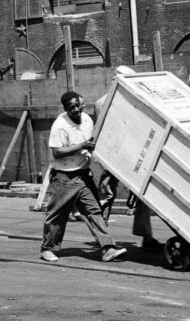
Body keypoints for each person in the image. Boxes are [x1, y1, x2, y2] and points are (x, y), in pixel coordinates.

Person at [40, 91, 127, 263]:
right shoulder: (60, 125)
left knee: (94, 211)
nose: (76, 110)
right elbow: (57, 152)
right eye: (72, 108)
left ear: (83, 104)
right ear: (66, 109)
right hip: (65, 177)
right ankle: (47, 248)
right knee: (57, 214)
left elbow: (93, 141)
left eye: (79, 105)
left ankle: (107, 247)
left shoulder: (87, 119)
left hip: (83, 174)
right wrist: (81, 146)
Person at [94, 66, 162, 252]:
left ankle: (146, 236)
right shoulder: (103, 103)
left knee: (142, 195)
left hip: (134, 154)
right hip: (112, 156)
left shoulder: (137, 100)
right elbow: (103, 133)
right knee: (106, 193)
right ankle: (102, 237)